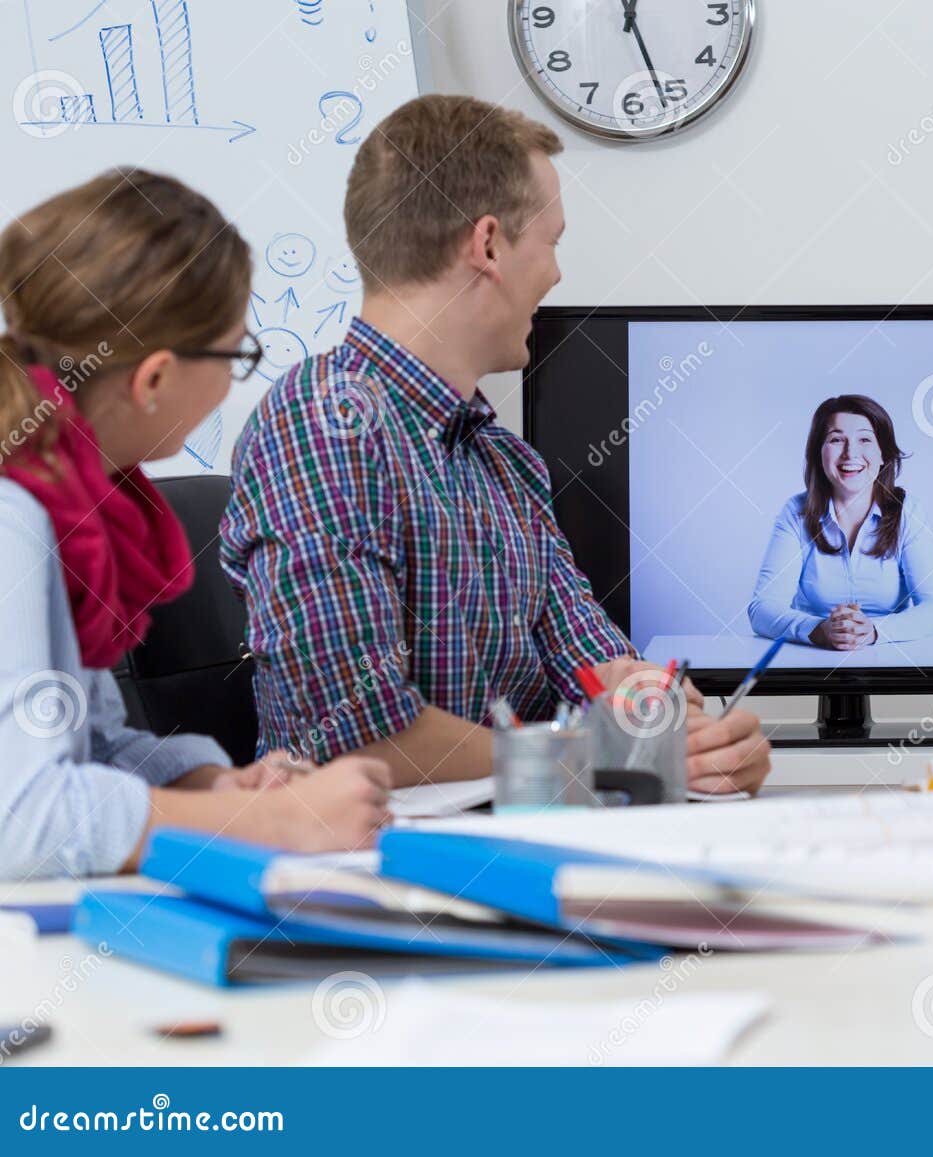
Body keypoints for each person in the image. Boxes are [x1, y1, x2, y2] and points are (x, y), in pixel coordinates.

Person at [220, 95, 770, 796]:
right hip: (384, 874)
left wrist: (685, 735)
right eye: (553, 242)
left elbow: (603, 671)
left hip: (525, 841)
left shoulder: (504, 464)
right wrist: (611, 756)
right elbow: (359, 733)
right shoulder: (323, 425)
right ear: (487, 245)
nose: (557, 275)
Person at [0, 170, 391, 880]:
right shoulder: (14, 517)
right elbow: (23, 817)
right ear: (153, 380)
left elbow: (90, 744)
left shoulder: (72, 499)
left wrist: (210, 786)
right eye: (237, 353)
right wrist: (265, 823)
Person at [748, 394, 933, 650]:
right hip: (812, 661)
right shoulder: (795, 512)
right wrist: (819, 630)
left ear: (882, 454)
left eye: (864, 439)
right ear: (818, 453)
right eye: (836, 440)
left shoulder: (907, 512)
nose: (850, 453)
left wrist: (874, 631)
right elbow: (762, 609)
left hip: (886, 660)